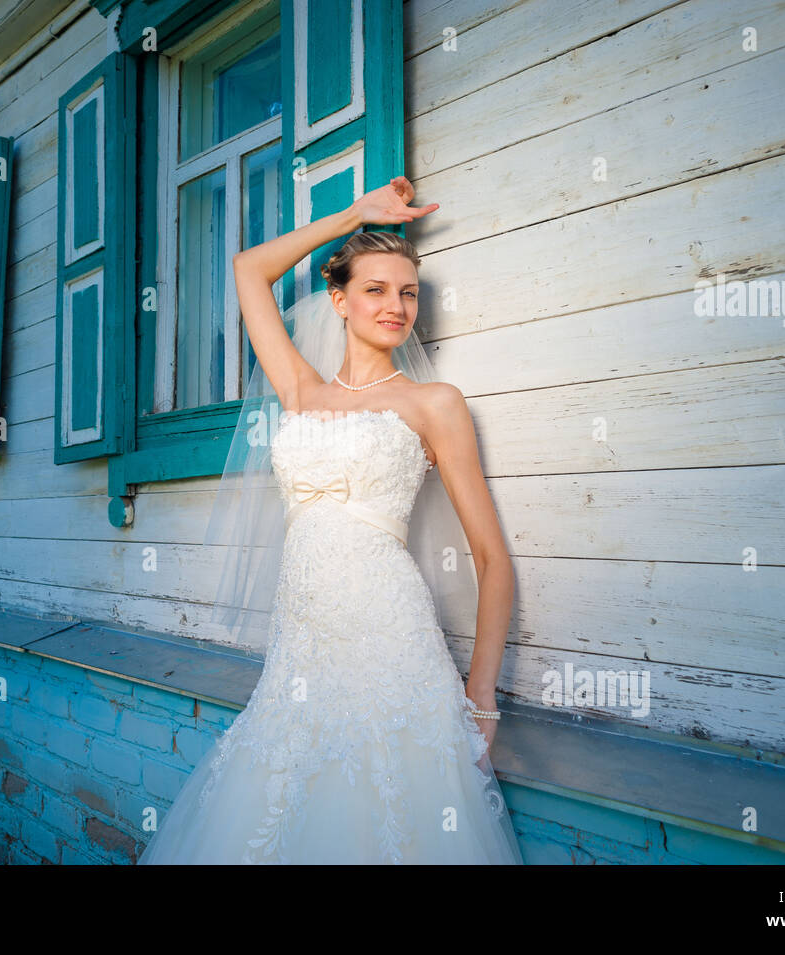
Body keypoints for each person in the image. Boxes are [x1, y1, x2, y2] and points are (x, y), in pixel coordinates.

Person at [137, 176, 523, 864]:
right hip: (299, 651)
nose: (396, 305)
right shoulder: (299, 388)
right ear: (338, 301)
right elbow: (248, 269)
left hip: (390, 643)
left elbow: (493, 559)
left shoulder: (434, 403)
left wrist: (482, 699)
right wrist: (353, 215)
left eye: (407, 293)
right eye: (375, 289)